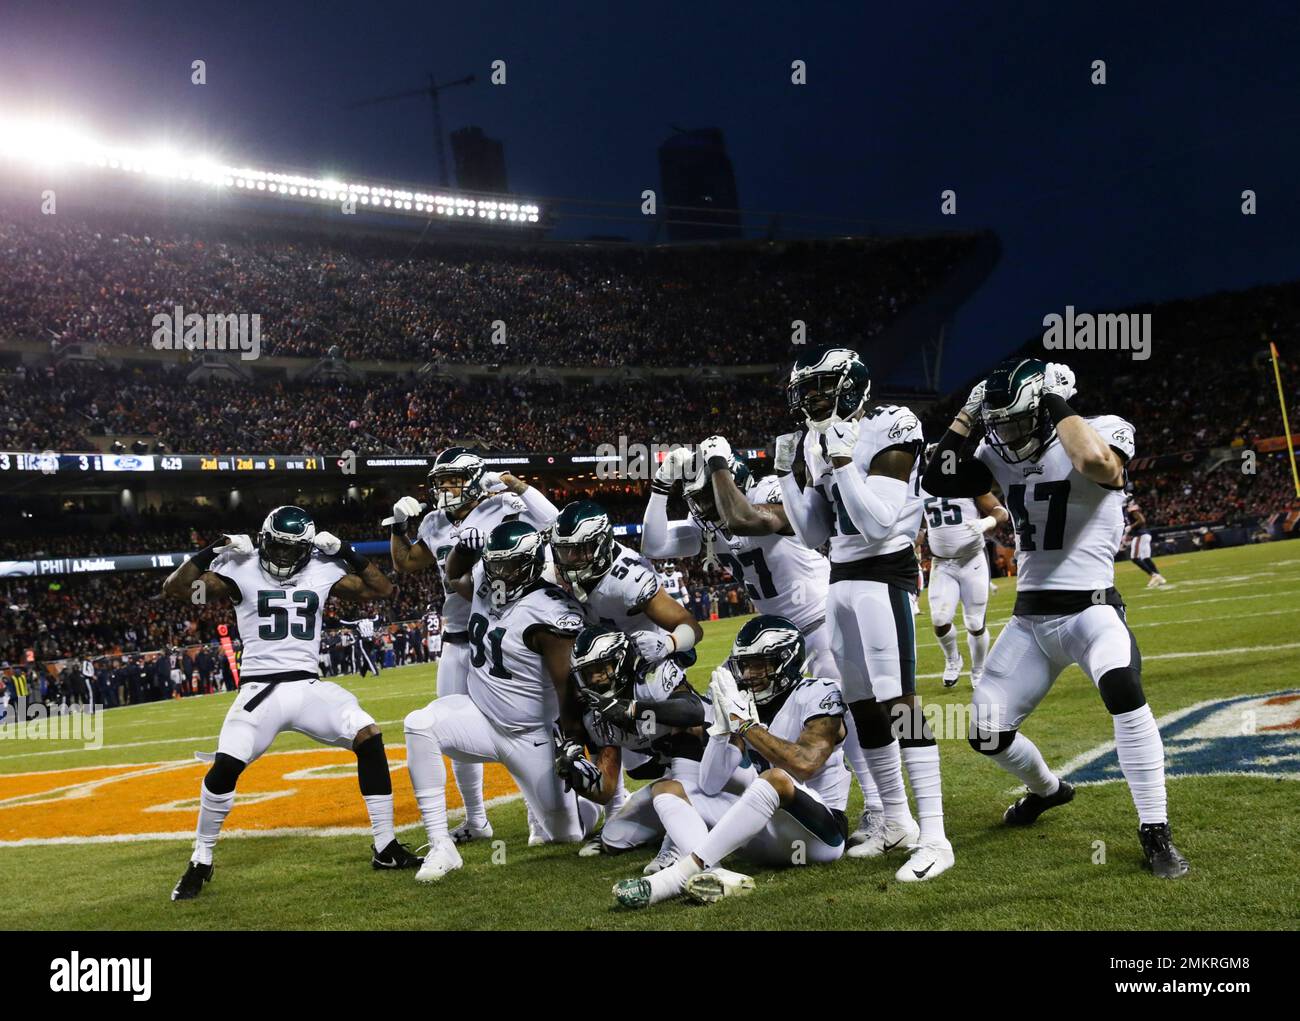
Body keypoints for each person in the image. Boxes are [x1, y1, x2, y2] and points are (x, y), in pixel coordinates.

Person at [922, 358, 1188, 878]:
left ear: (1046, 409)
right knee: (985, 734)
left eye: (1022, 419)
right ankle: (1048, 790)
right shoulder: (997, 450)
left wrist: (1051, 399)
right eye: (1003, 423)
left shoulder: (1103, 431)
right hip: (1029, 622)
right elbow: (937, 478)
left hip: (1091, 611)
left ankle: (1155, 829)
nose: (1010, 434)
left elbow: (1097, 466)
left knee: (1123, 690)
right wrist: (967, 416)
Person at [164, 505, 422, 901]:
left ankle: (385, 847)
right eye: (278, 547)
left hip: (307, 687)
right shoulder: (241, 566)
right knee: (223, 770)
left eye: (292, 549)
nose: (283, 557)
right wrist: (214, 549)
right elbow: (176, 589)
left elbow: (384, 590)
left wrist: (347, 552)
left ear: (306, 547)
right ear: (265, 539)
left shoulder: (321, 566)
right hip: (258, 690)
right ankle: (201, 858)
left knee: (368, 736)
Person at [775, 347, 951, 881]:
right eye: (807, 391)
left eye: (824, 388)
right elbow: (811, 534)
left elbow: (877, 524)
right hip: (842, 575)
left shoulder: (893, 423)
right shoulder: (811, 438)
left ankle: (937, 836)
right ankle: (895, 821)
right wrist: (787, 474)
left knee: (900, 701)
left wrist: (845, 461)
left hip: (886, 571)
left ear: (852, 385)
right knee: (862, 705)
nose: (814, 399)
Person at [613, 615, 850, 908]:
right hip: (760, 833)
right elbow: (710, 784)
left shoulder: (819, 692)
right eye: (745, 665)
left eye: (759, 664)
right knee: (668, 788)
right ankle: (716, 875)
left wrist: (748, 726)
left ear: (786, 661)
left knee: (775, 778)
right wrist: (723, 731)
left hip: (818, 836)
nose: (749, 674)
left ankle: (678, 876)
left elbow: (805, 764)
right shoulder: (745, 702)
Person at [403, 521, 593, 881]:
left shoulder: (550, 611)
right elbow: (453, 578)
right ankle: (442, 845)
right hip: (480, 717)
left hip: (531, 736)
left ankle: (590, 808)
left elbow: (566, 686)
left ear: (532, 563)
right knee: (419, 724)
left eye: (509, 565)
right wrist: (462, 551)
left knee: (566, 836)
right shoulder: (486, 583)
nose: (499, 572)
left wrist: (571, 745)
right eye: (494, 563)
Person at [389, 447, 559, 843]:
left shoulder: (504, 507)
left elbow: (554, 524)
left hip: (510, 636)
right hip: (458, 639)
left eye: (453, 479)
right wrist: (398, 525)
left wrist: (518, 487)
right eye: (441, 481)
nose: (445, 488)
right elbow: (405, 564)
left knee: (528, 725)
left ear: (473, 479)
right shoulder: (432, 522)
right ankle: (476, 819)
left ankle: (540, 815)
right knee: (454, 738)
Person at [918, 459, 1011, 688]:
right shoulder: (921, 486)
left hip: (972, 560)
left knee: (975, 622)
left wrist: (987, 521)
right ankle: (953, 660)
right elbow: (919, 519)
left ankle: (978, 670)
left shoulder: (966, 481)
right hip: (942, 563)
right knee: (939, 620)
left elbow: (1001, 511)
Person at [1123, 488, 1168, 587]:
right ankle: (1159, 578)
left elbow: (1142, 520)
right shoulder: (1128, 509)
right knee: (1146, 558)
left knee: (1134, 558)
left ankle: (1153, 575)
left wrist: (1131, 527)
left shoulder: (1131, 508)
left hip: (1140, 534)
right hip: (1143, 534)